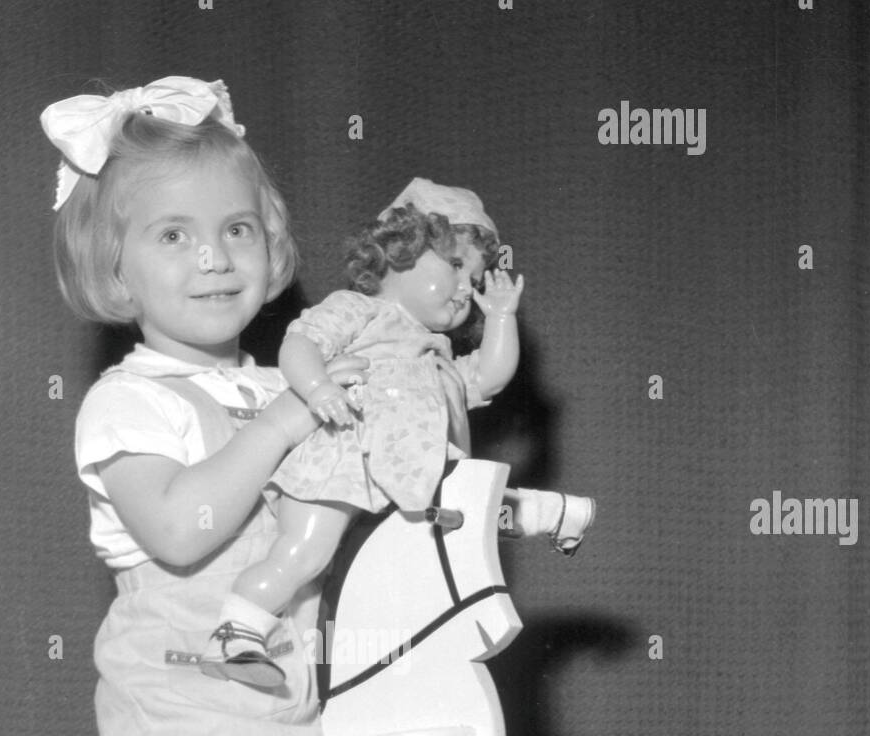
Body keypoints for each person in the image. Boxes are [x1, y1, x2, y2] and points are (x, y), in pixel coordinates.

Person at [42, 76, 370, 736]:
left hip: (292, 663)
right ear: (113, 265)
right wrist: (283, 420)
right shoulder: (128, 403)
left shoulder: (277, 379)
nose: (215, 257)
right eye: (173, 234)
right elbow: (183, 531)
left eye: (235, 228)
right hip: (179, 677)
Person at [204, 180, 592, 686]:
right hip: (343, 459)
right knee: (305, 553)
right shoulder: (360, 311)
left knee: (459, 522)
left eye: (474, 280)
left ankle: (542, 513)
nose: (464, 289)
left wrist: (500, 317)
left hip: (417, 483)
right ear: (398, 250)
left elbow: (491, 376)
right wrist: (319, 389)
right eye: (454, 266)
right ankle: (235, 633)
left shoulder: (439, 355)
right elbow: (300, 345)